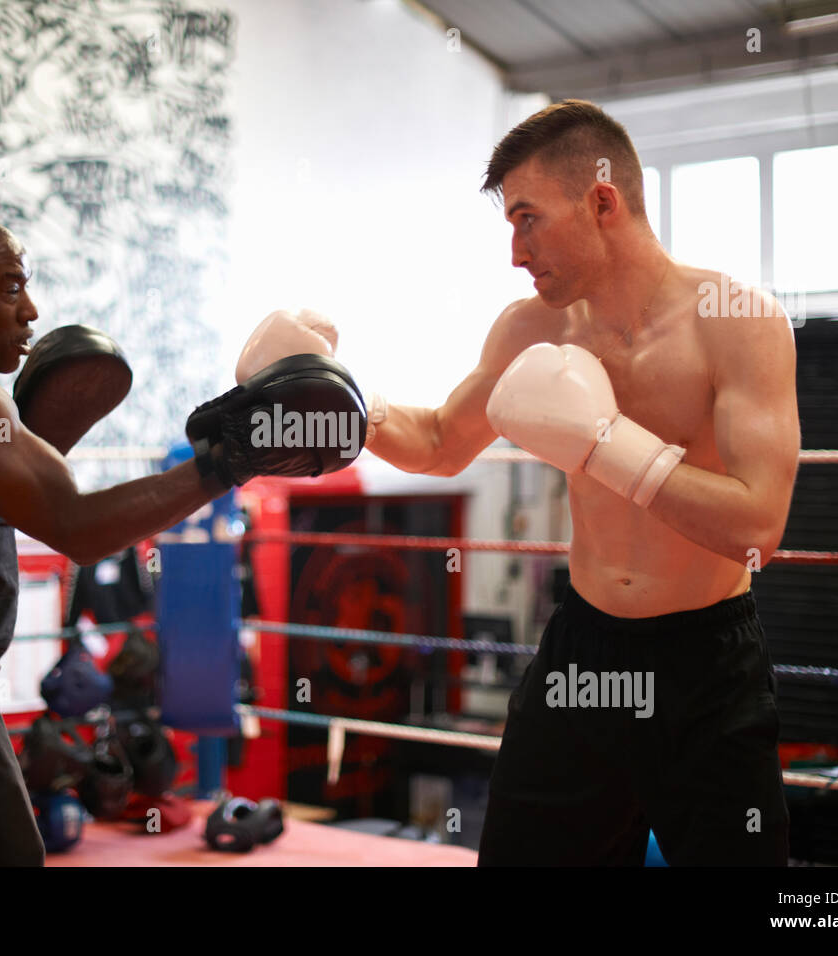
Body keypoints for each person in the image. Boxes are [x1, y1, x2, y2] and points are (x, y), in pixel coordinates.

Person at [251, 100, 800, 865]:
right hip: (584, 652)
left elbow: (757, 530)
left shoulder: (738, 323)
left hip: (705, 667)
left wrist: (607, 444)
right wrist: (337, 400)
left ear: (601, 201)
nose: (516, 251)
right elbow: (442, 442)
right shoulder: (529, 329)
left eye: (527, 219)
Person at [0, 210, 364, 865]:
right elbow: (80, 530)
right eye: (11, 289)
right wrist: (229, 463)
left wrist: (36, 441)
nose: (31, 310)